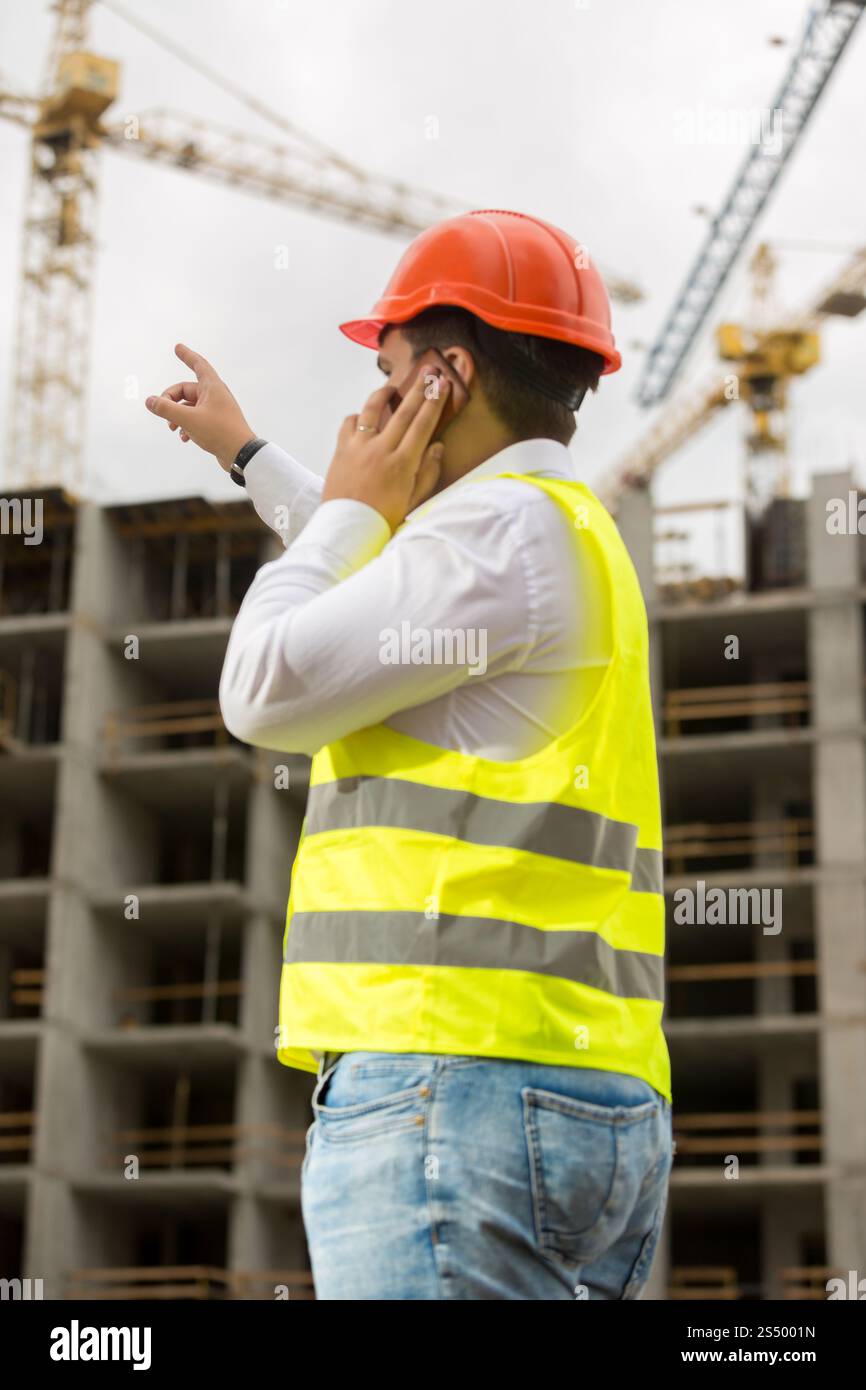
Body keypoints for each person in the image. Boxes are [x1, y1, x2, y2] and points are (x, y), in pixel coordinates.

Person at [144, 209, 673, 1301]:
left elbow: (264, 689)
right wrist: (253, 457)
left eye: (387, 381)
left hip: (450, 1086)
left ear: (444, 377)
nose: (370, 411)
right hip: (569, 1092)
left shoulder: (500, 537)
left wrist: (343, 509)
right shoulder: (553, 530)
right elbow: (388, 589)